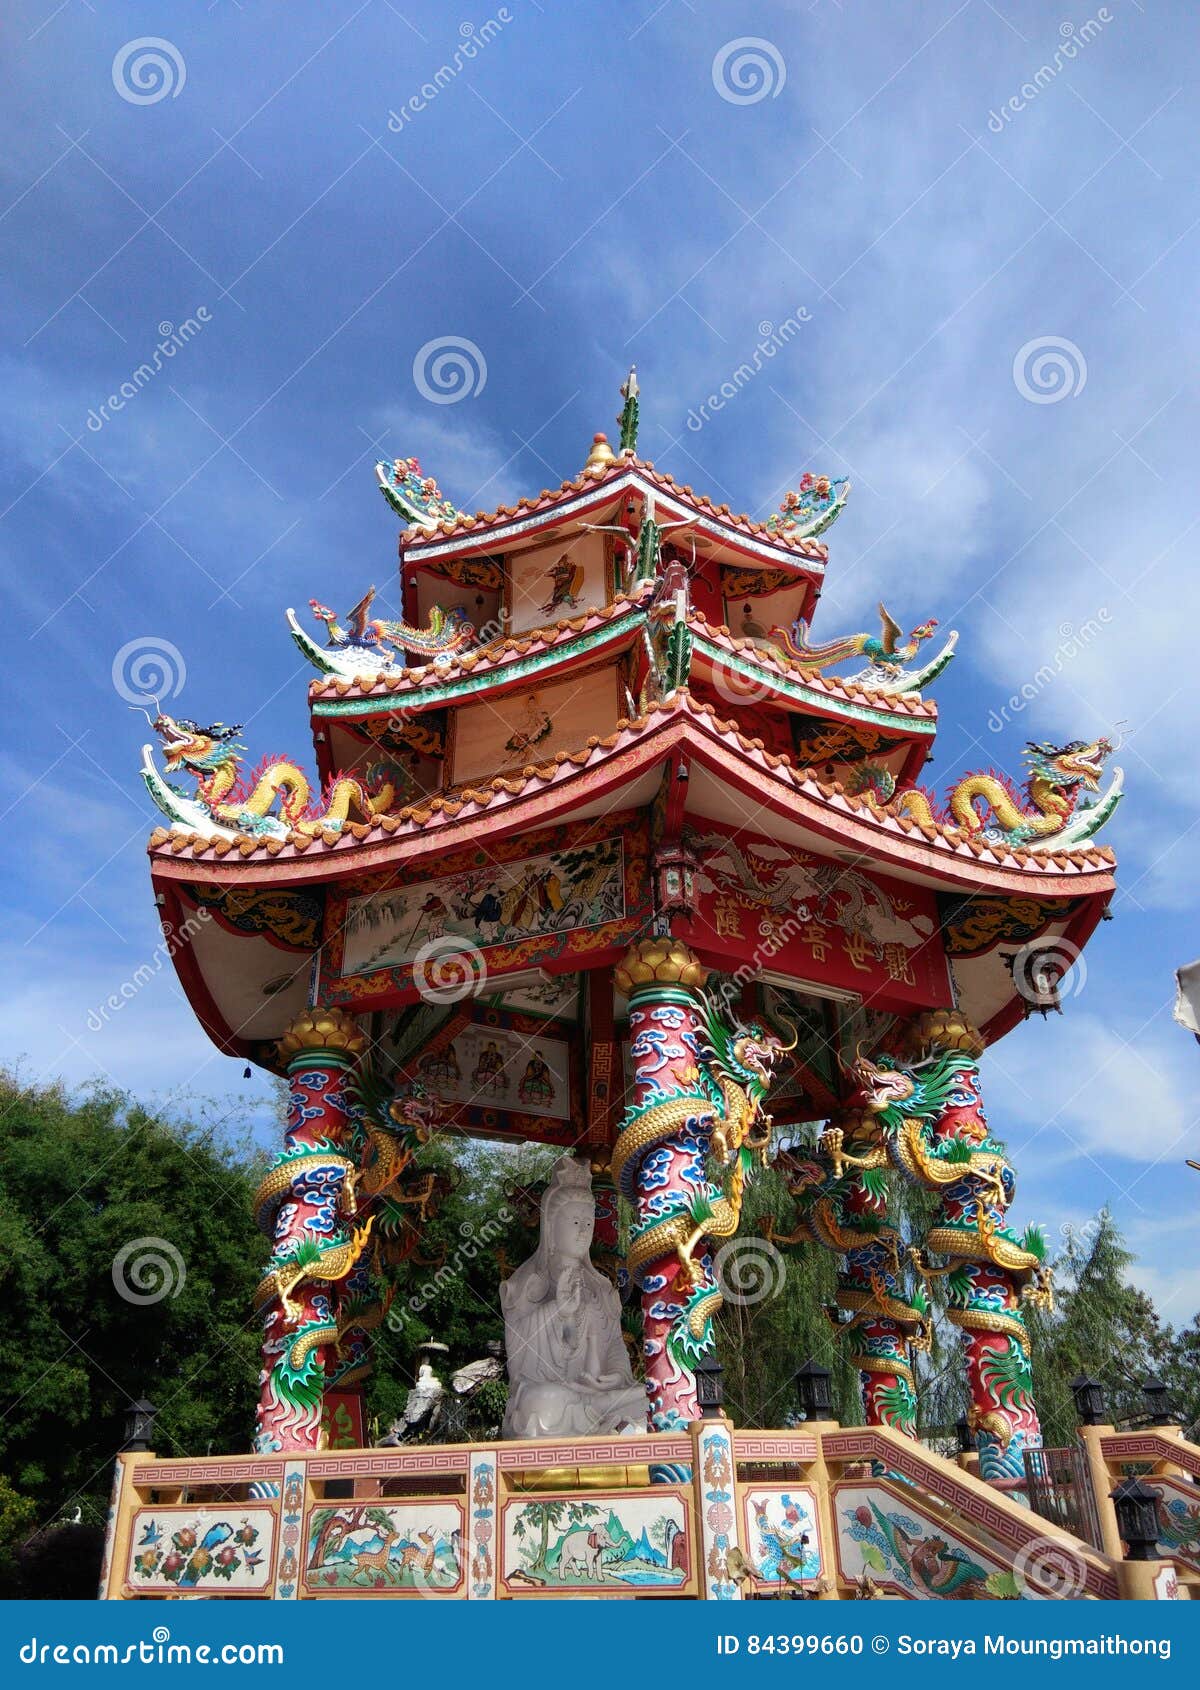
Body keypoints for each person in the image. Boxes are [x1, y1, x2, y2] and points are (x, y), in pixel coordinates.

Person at [501, 1158, 645, 1439]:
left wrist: (615, 1373)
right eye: (576, 1221)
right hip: (550, 1391)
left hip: (596, 1392)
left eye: (589, 1222)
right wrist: (558, 1310)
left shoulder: (602, 1287)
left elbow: (615, 1343)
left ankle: (603, 1416)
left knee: (644, 1397)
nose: (584, 1231)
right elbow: (517, 1355)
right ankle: (601, 1422)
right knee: (544, 1400)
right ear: (551, 1226)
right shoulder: (527, 1282)